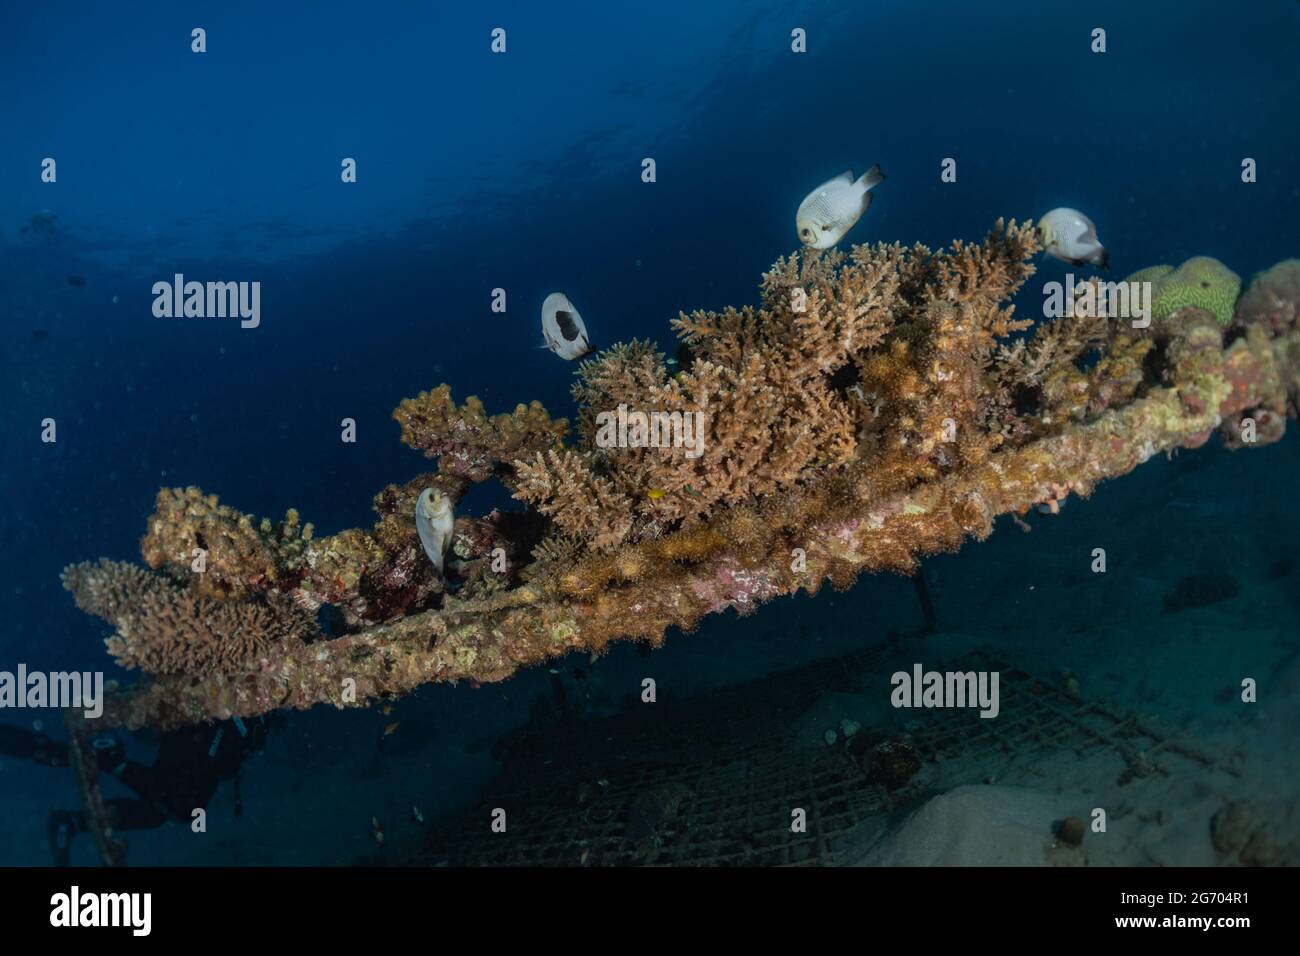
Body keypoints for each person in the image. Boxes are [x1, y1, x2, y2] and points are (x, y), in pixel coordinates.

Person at [0, 716, 273, 865]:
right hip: (201, 732)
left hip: (201, 739)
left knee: (161, 810)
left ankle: (73, 820)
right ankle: (111, 762)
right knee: (181, 806)